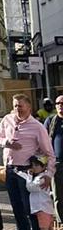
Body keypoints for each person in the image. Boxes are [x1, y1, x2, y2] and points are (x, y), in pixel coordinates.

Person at [0, 93, 55, 230]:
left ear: (29, 107)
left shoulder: (37, 126)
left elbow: (49, 153)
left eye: (20, 106)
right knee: (17, 209)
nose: (17, 109)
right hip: (10, 169)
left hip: (26, 172)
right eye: (15, 105)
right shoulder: (7, 120)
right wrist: (5, 143)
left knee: (31, 209)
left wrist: (48, 174)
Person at [23, 153, 60, 230]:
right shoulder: (41, 177)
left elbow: (30, 187)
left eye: (36, 165)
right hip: (45, 208)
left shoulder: (41, 178)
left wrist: (28, 177)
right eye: (33, 165)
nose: (33, 168)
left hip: (42, 208)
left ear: (43, 167)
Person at [47, 93, 63, 221]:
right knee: (58, 194)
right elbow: (44, 140)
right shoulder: (51, 121)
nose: (60, 106)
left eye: (62, 104)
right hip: (56, 162)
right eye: (58, 104)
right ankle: (61, 221)